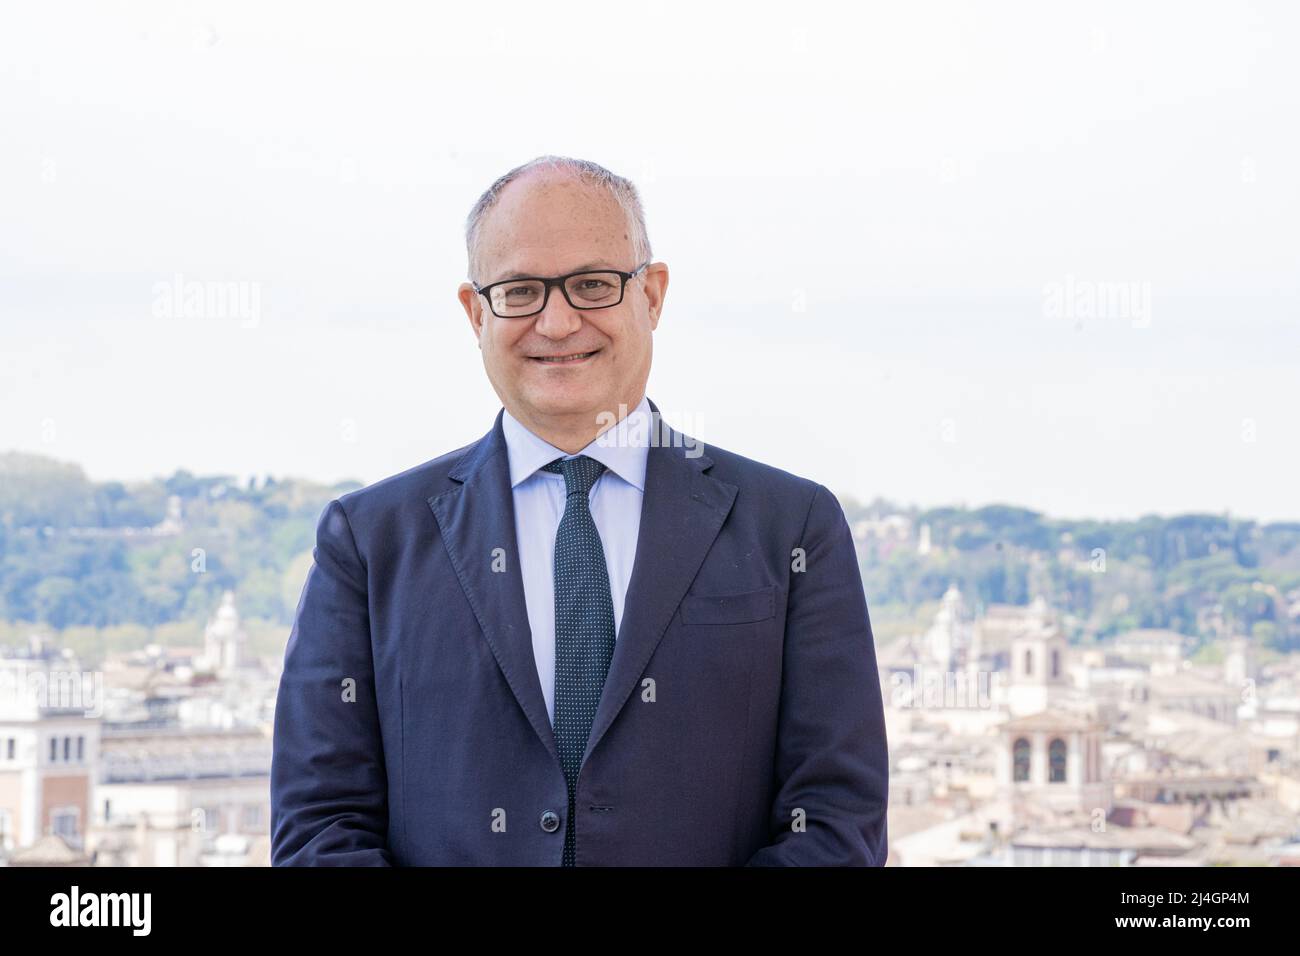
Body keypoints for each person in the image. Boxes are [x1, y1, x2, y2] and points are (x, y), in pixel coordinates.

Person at [270, 155, 889, 865]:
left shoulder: (792, 528)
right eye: (521, 290)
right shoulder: (369, 542)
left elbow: (836, 823)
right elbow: (320, 829)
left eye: (593, 284)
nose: (557, 321)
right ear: (476, 313)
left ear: (652, 295)